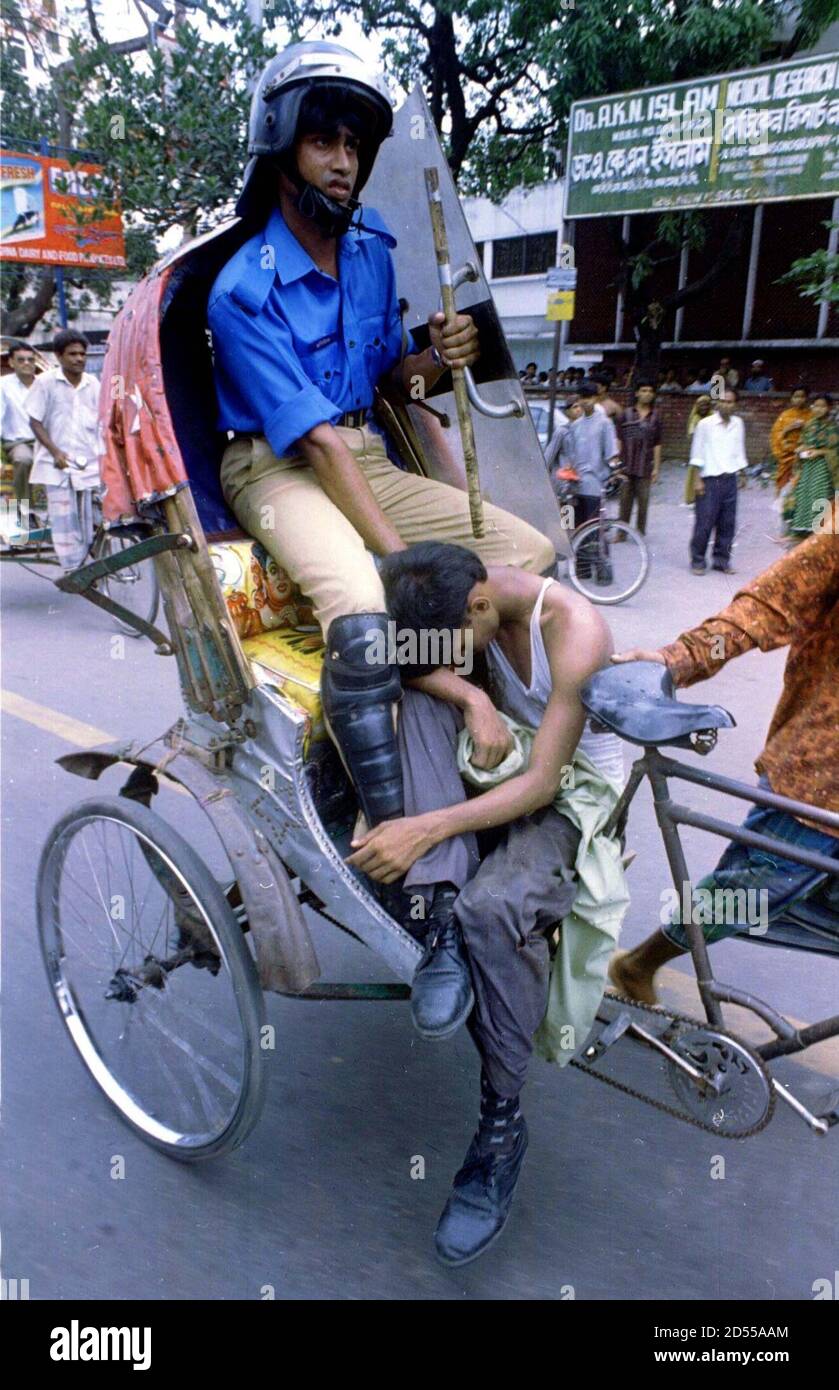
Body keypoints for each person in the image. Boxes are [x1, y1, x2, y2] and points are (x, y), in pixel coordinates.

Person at [207, 41, 554, 831]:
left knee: (527, 555)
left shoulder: (371, 255)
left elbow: (396, 384)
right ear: (282, 148)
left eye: (353, 146)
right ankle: (393, 836)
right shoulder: (243, 290)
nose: (342, 162)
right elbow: (316, 444)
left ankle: (505, 748)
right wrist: (403, 564)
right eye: (323, 141)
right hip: (276, 467)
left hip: (364, 450)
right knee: (367, 604)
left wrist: (442, 357)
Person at [349, 540, 619, 1265]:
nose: (451, 650)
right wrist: (471, 695)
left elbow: (539, 784)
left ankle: (500, 1123)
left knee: (490, 912)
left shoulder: (572, 630)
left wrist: (421, 826)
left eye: (455, 639)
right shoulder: (459, 597)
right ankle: (434, 913)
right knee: (414, 696)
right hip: (500, 753)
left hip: (563, 791)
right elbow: (410, 660)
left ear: (479, 603)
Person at [609, 521, 839, 1004]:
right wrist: (681, 657)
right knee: (751, 890)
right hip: (821, 776)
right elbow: (770, 602)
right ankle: (638, 965)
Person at [25, 331, 100, 572]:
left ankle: (90, 565)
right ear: (59, 356)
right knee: (64, 520)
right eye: (73, 354)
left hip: (87, 462)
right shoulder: (45, 382)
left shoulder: (93, 384)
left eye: (82, 354)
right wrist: (56, 452)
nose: (79, 358)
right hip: (54, 463)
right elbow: (35, 421)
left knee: (91, 520)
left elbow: (102, 421)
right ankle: (72, 568)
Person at [559, 380, 620, 578]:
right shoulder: (575, 426)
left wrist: (614, 473)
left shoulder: (604, 424)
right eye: (582, 398)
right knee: (577, 527)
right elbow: (571, 455)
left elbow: (611, 454)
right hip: (577, 484)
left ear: (596, 398)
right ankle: (582, 569)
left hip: (595, 483)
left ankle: (603, 571)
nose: (586, 402)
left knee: (596, 529)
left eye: (589, 398)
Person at [688, 388, 747, 575]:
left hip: (730, 479)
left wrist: (742, 472)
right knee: (705, 522)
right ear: (717, 402)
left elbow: (739, 449)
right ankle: (697, 560)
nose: (726, 405)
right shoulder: (706, 424)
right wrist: (697, 480)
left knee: (727, 523)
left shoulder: (738, 423)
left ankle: (721, 561)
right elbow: (697, 452)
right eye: (722, 401)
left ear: (735, 405)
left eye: (730, 402)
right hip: (709, 480)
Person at [784, 394, 839, 540]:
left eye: (823, 406)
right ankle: (801, 529)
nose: (819, 409)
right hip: (807, 466)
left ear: (829, 408)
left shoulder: (832, 428)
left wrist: (818, 452)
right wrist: (801, 449)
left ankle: (818, 531)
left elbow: (835, 450)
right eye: (816, 406)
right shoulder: (809, 425)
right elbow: (802, 442)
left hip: (823, 466)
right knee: (803, 494)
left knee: (818, 495)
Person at [0, 341, 38, 532]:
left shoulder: (44, 384)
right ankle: (26, 511)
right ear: (12, 362)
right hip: (17, 441)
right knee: (24, 460)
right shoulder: (4, 386)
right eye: (21, 360)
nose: (26, 363)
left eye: (30, 359)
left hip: (44, 441)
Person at [616, 381, 662, 536]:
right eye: (643, 390)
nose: (647, 393)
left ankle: (640, 534)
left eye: (650, 390)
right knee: (624, 502)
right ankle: (621, 533)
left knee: (643, 503)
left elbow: (657, 443)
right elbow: (619, 440)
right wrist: (617, 464)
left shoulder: (656, 416)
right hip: (626, 465)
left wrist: (656, 468)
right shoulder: (626, 414)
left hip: (645, 466)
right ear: (637, 393)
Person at [770, 386, 810, 494]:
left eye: (802, 396)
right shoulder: (785, 415)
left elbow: (815, 435)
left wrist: (805, 426)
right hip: (787, 455)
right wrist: (787, 429)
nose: (799, 399)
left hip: (805, 455)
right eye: (796, 396)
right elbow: (775, 435)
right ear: (791, 398)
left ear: (807, 398)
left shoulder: (812, 415)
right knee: (784, 486)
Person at [684, 393, 712, 504]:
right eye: (701, 405)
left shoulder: (713, 416)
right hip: (698, 451)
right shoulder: (695, 419)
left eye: (706, 405)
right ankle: (692, 498)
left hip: (710, 451)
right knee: (694, 474)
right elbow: (691, 435)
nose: (704, 407)